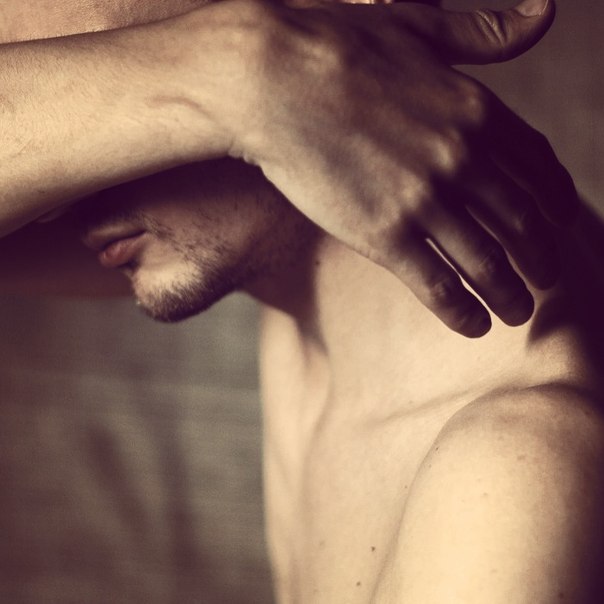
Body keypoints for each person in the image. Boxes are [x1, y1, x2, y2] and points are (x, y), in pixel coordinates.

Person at [2, 0, 603, 603]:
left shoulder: (504, 489)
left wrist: (236, 66)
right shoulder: (299, 270)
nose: (57, 189)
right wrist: (235, 66)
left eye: (119, 66)